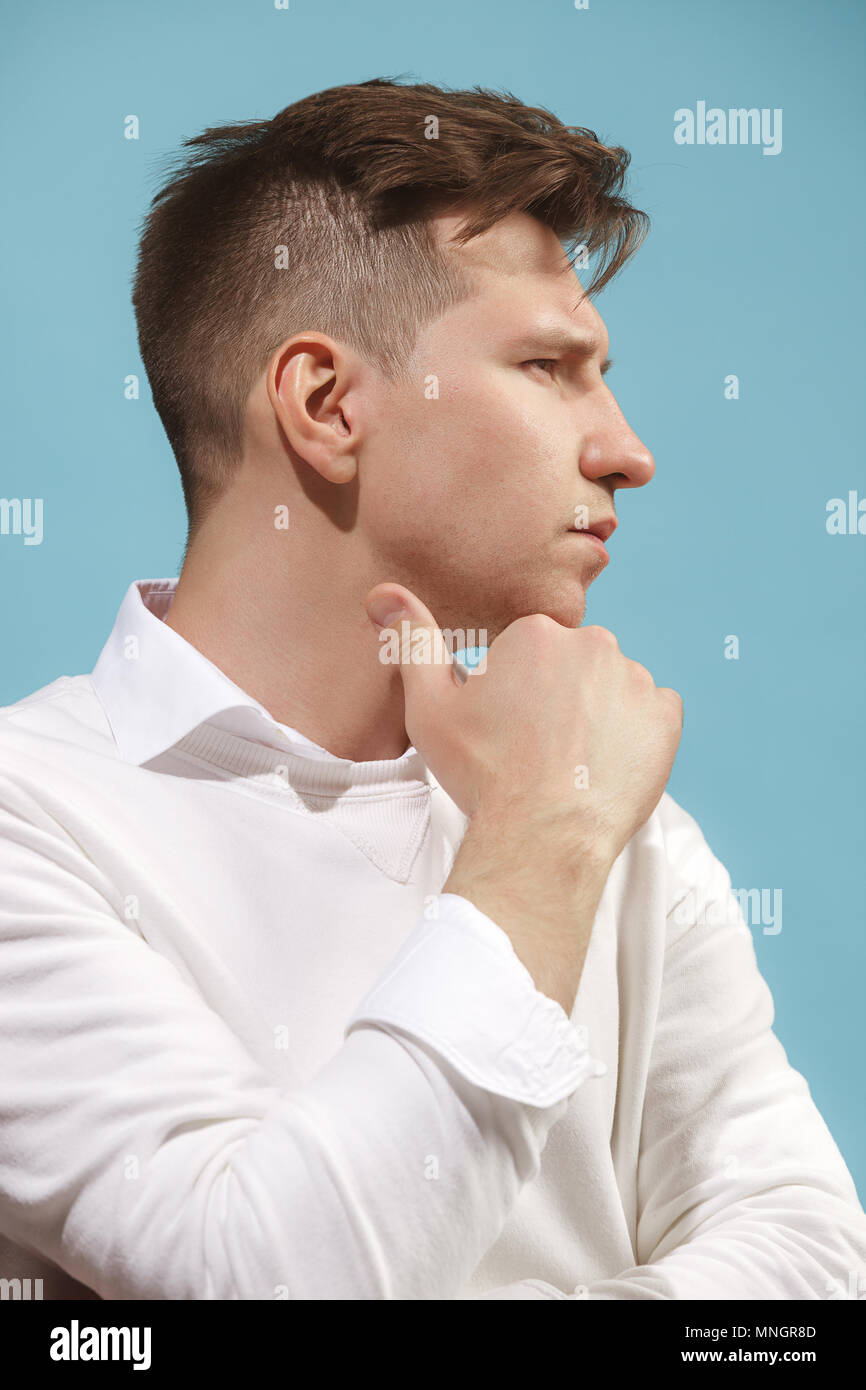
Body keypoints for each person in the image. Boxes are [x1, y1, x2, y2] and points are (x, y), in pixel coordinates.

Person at [1, 78, 863, 1301]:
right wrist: (536, 851)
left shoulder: (619, 823)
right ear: (325, 404)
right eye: (547, 365)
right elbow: (263, 1280)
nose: (626, 448)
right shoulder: (26, 822)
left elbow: (812, 1270)